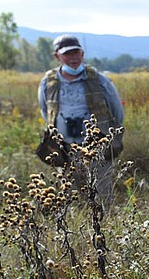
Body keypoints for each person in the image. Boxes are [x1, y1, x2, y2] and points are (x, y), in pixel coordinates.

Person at [38, 35, 124, 204]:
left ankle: (105, 219)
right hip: (65, 147)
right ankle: (78, 220)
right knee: (71, 195)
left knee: (102, 193)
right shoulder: (48, 82)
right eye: (67, 54)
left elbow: (117, 112)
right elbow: (45, 111)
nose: (73, 58)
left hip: (97, 147)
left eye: (76, 53)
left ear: (82, 54)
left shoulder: (98, 79)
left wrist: (108, 135)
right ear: (57, 56)